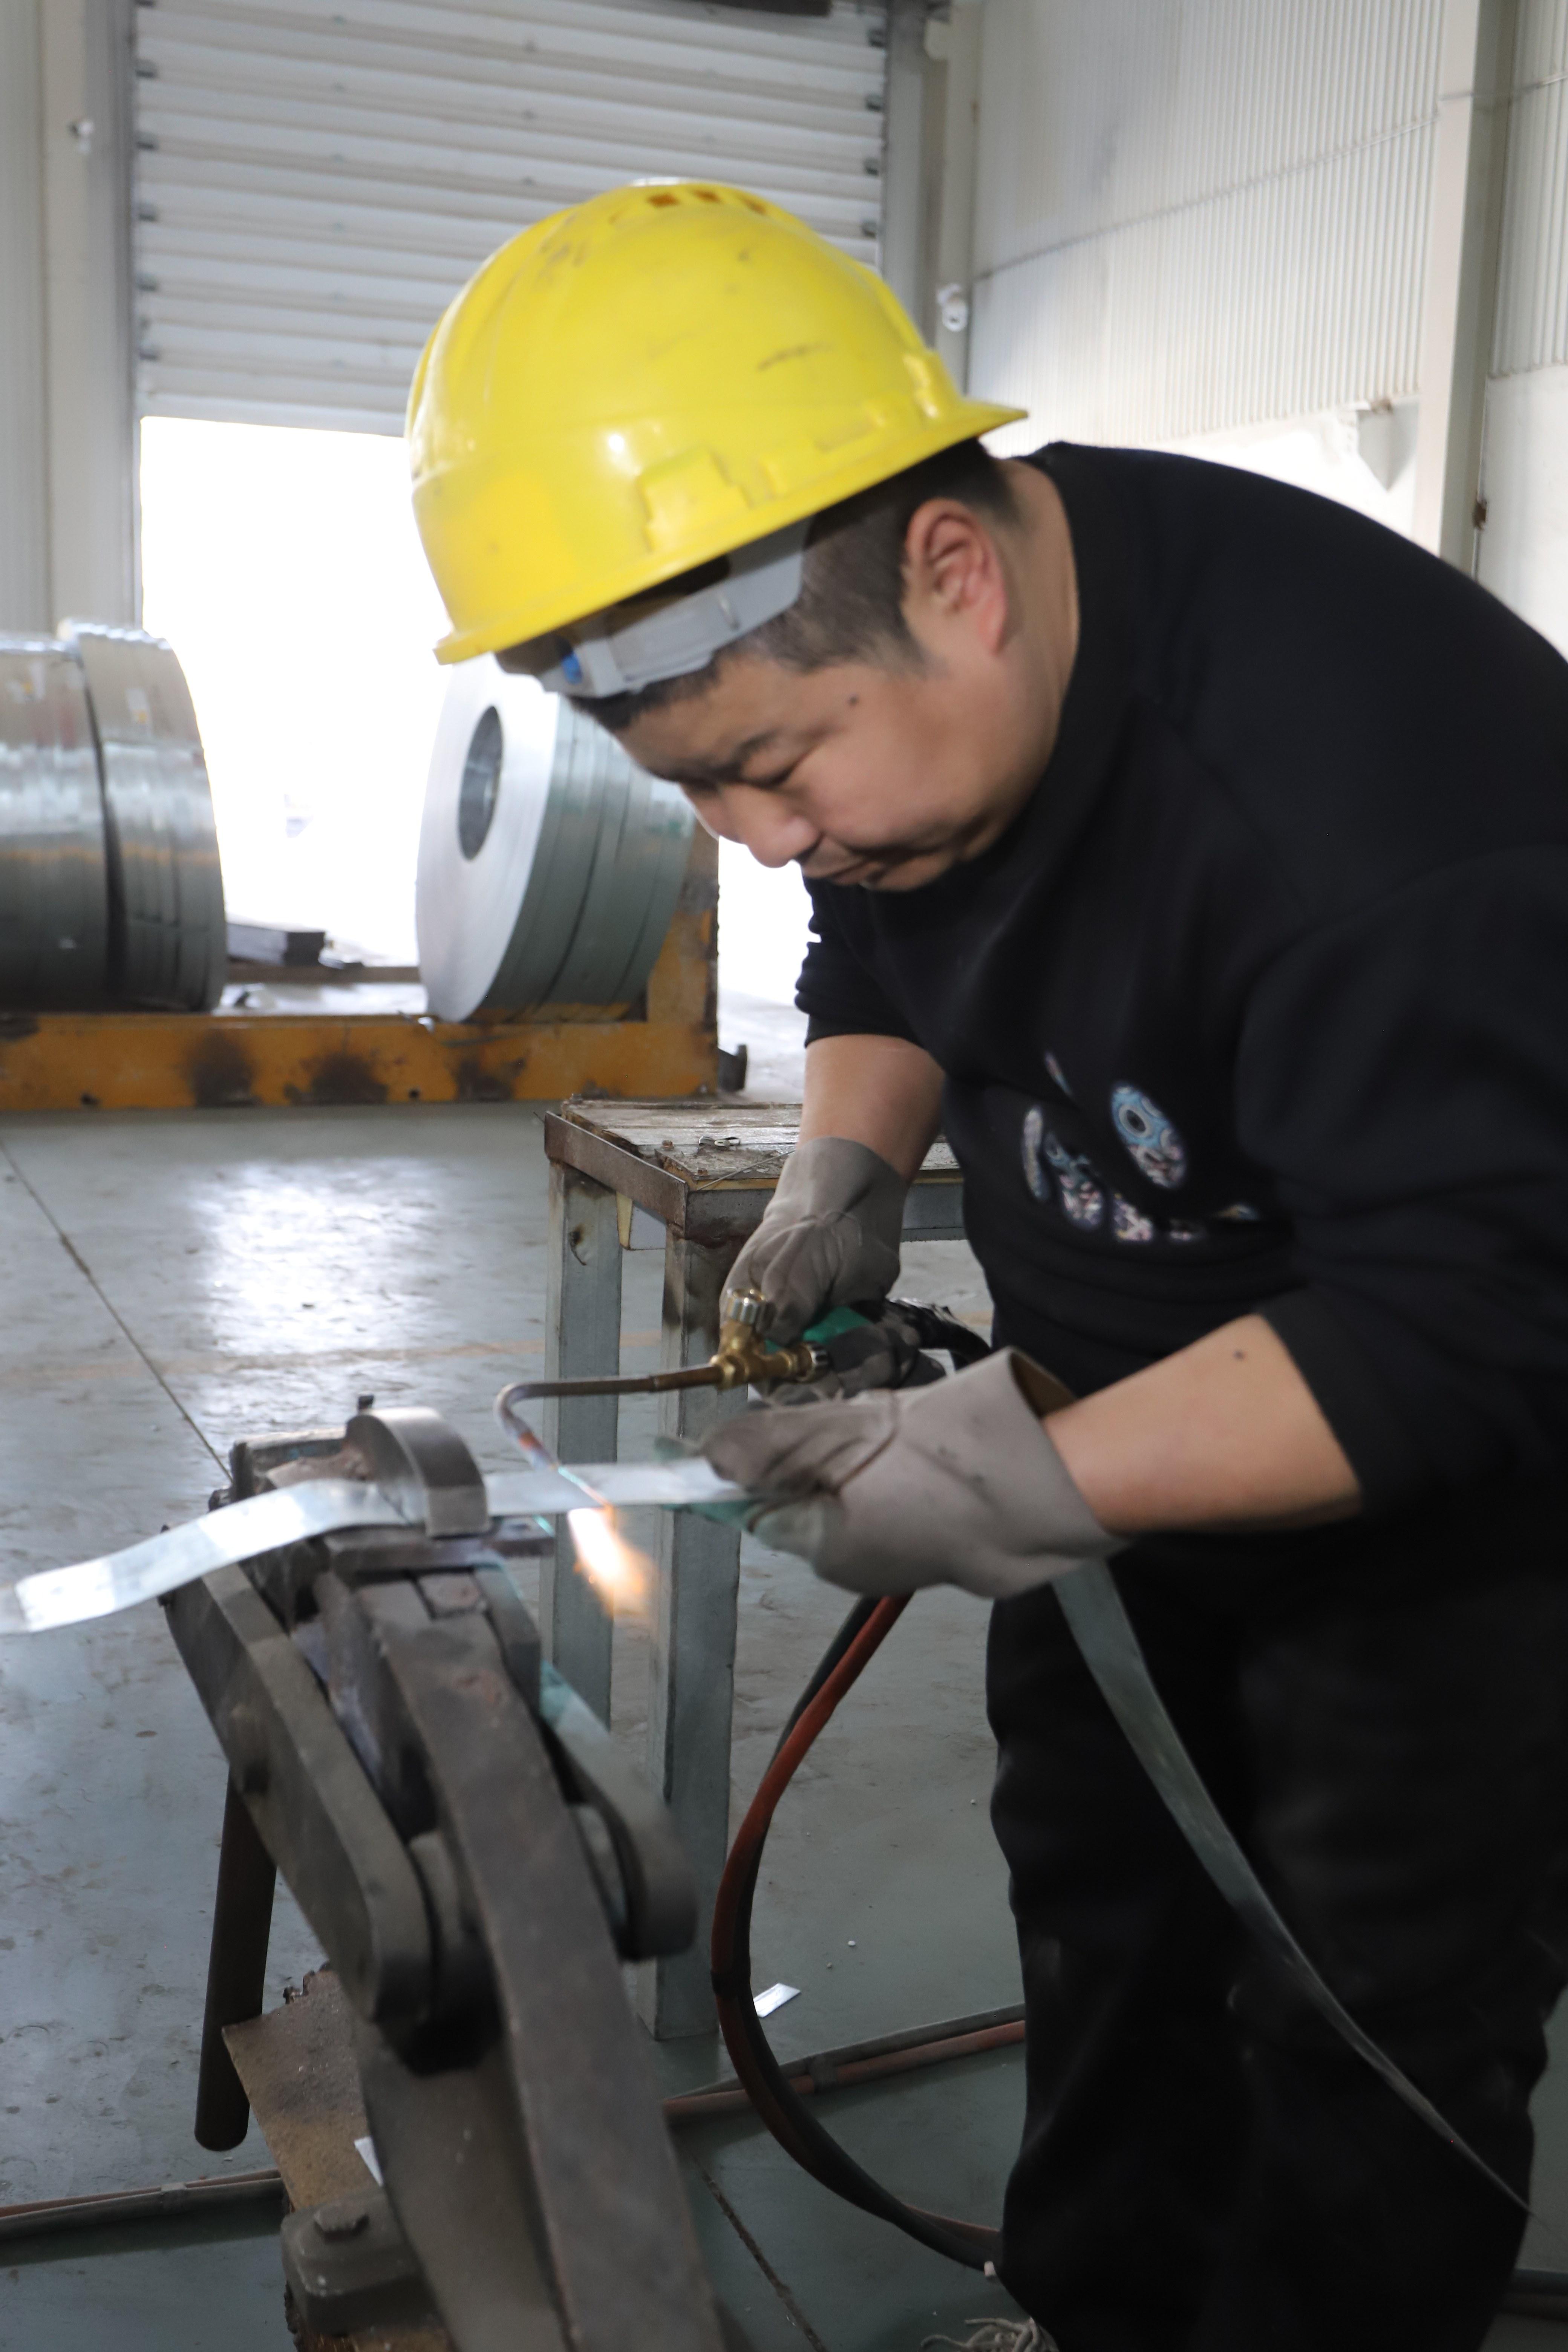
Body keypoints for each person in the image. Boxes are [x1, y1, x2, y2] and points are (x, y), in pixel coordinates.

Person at [408, 180, 1568, 2352]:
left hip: (1439, 1542)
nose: (767, 840)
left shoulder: (1380, 808)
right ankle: (1093, 2308)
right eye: (706, 793)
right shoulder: (929, 708)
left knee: (1370, 2022)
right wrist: (841, 1166)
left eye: (773, 768)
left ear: (956, 574)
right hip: (1114, 1465)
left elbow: (1467, 1332)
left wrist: (1017, 1479)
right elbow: (881, 941)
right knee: (1108, 1921)